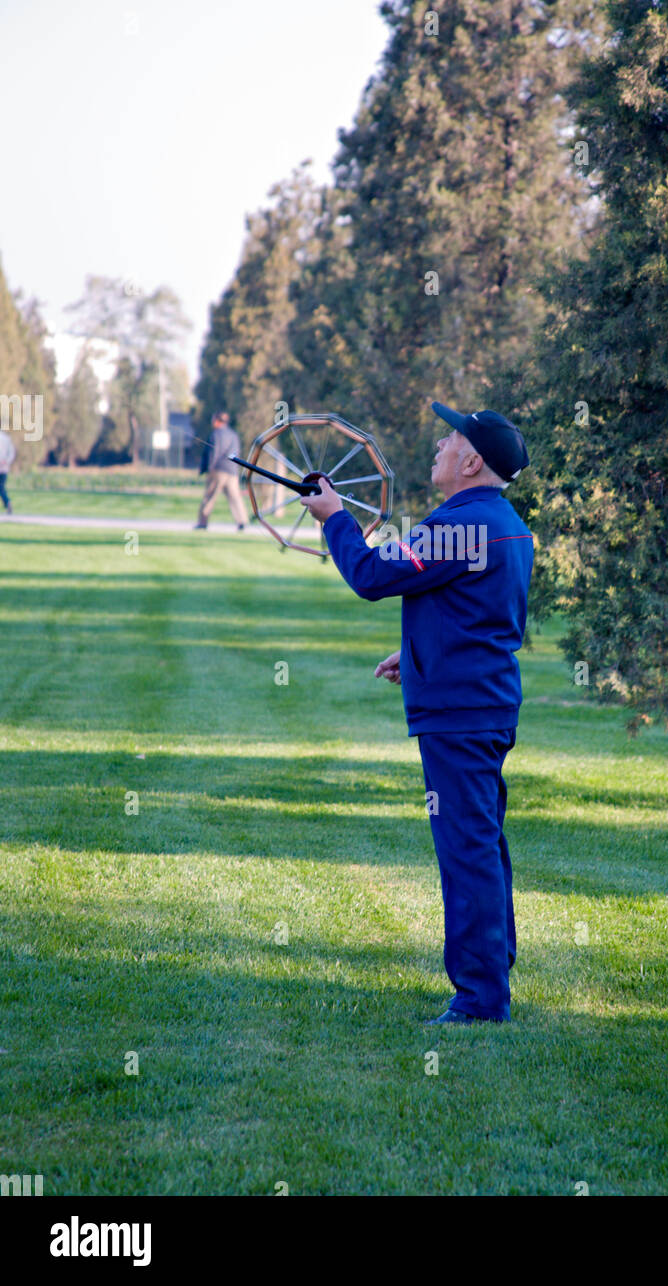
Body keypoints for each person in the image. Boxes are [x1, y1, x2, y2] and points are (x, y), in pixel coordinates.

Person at [301, 403, 534, 1025]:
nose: (439, 443)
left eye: (450, 437)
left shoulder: (462, 525)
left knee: (466, 850)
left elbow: (374, 576)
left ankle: (481, 999)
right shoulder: (502, 521)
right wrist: (417, 649)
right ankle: (493, 972)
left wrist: (335, 518)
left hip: (460, 714)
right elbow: (478, 612)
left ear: (472, 460)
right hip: (482, 704)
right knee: (482, 843)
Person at [194, 412, 246, 530]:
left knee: (209, 496)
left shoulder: (216, 434)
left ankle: (202, 522)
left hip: (218, 470)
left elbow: (214, 452)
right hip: (232, 470)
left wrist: (208, 468)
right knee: (235, 497)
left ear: (217, 421)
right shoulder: (233, 435)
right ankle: (242, 521)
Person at [0, 429, 15, 514]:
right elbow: (12, 453)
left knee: (0, 487)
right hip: (4, 467)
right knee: (1, 487)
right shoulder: (6, 438)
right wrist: (6, 461)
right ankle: (7, 502)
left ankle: (7, 502)